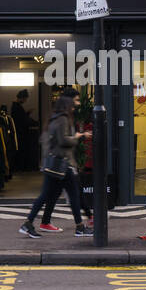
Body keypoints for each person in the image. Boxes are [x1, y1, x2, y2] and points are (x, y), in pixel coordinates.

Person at [20, 94, 92, 238]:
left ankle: (28, 223)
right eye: (73, 103)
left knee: (47, 195)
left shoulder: (53, 119)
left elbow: (47, 140)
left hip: (54, 164)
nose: (75, 106)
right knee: (72, 196)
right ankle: (79, 228)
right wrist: (78, 137)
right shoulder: (63, 119)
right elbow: (63, 140)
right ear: (66, 106)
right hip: (62, 164)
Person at [10, 89, 39, 171]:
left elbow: (21, 118)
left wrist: (27, 114)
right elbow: (23, 120)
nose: (25, 101)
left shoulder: (15, 106)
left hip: (19, 132)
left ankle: (20, 167)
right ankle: (21, 167)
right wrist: (34, 122)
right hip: (21, 133)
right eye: (25, 99)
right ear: (22, 98)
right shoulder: (17, 107)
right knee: (22, 151)